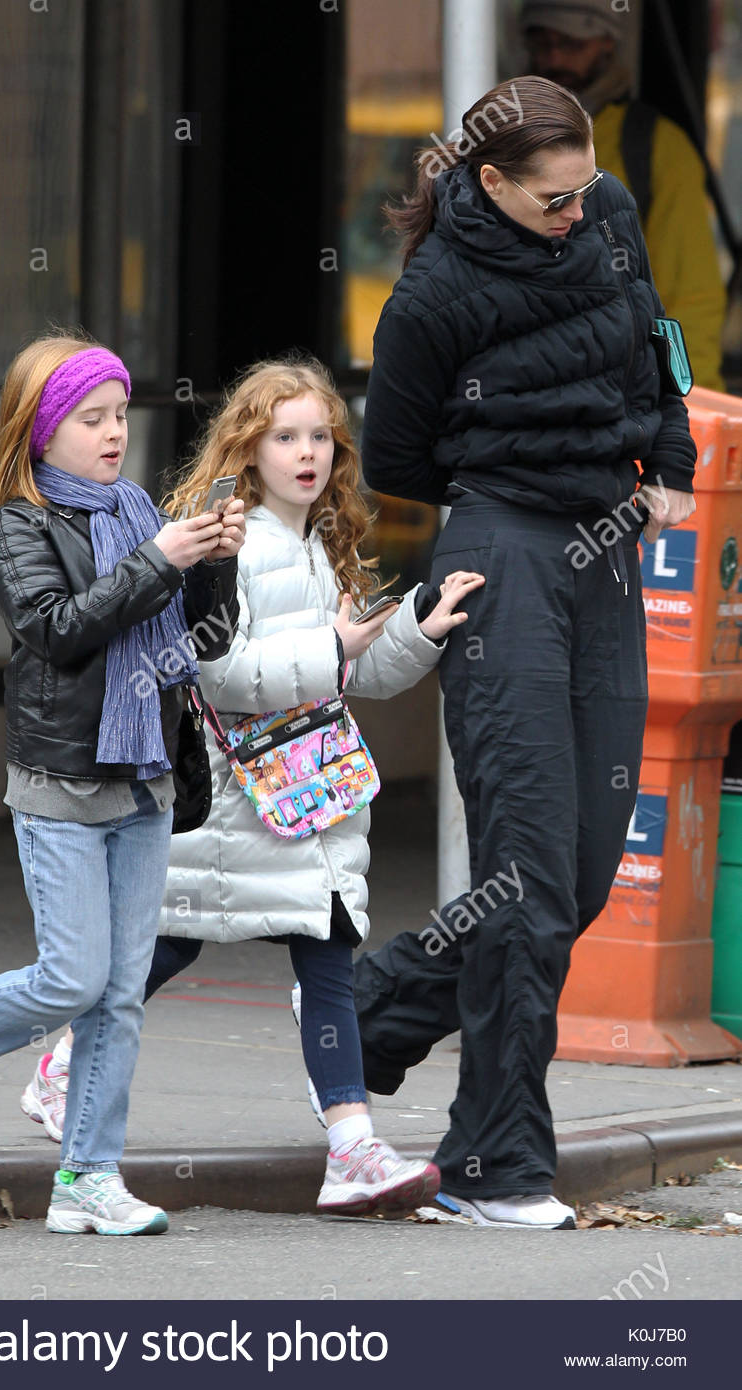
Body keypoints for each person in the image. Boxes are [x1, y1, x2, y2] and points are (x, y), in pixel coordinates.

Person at [21, 355, 485, 1219]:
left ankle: (350, 1144)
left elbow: (346, 677)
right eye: (284, 437)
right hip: (237, 799)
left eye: (319, 438)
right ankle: (58, 1069)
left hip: (304, 796)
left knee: (323, 950)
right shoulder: (236, 543)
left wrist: (417, 629)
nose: (306, 454)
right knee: (163, 944)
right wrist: (337, 650)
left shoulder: (321, 545)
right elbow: (217, 668)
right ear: (248, 447)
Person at [350, 75, 697, 1229]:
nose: (574, 211)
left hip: (607, 552)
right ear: (489, 183)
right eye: (549, 199)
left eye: (581, 188)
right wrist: (522, 477)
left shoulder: (602, 215)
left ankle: (352, 1021)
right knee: (527, 879)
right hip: (502, 556)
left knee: (577, 877)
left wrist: (668, 471)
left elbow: (653, 344)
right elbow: (394, 454)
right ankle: (496, 1163)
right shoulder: (434, 292)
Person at [0, 333, 243, 1236]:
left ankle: (87, 1179)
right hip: (62, 783)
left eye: (120, 415)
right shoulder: (17, 526)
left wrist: (213, 560)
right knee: (71, 977)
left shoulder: (135, 513)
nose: (114, 433)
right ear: (42, 430)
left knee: (119, 993)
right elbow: (58, 630)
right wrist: (161, 557)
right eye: (92, 418)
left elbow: (213, 641)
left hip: (146, 777)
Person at [520, 0, 726, 389]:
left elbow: (691, 295)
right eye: (542, 44)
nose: (555, 58)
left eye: (572, 44)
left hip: (623, 397)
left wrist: (686, 399)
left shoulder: (657, 149)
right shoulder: (504, 145)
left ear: (608, 43)